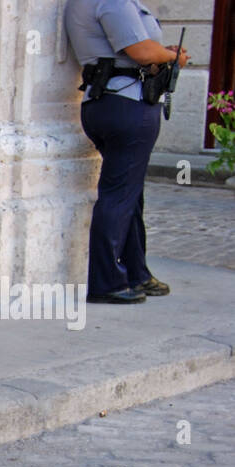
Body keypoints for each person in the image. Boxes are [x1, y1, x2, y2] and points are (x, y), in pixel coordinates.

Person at [65, 0, 188, 304]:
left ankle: (136, 273)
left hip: (105, 102)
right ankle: (107, 282)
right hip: (127, 104)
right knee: (119, 196)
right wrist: (173, 56)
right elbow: (142, 52)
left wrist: (161, 55)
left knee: (128, 192)